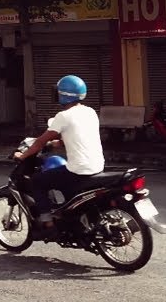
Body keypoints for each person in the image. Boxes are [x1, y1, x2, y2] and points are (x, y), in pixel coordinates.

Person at [12, 74, 105, 233]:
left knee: (37, 181)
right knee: (62, 179)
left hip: (79, 170)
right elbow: (79, 135)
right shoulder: (90, 112)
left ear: (63, 94)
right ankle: (69, 216)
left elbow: (40, 142)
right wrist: (58, 143)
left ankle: (48, 224)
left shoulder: (63, 116)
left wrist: (23, 156)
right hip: (98, 166)